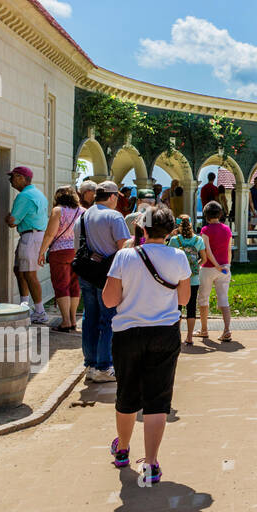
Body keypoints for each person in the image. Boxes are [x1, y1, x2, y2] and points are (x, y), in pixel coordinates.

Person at [102, 205, 190, 486]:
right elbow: (184, 299)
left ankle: (123, 450)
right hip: (164, 333)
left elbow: (109, 300)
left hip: (128, 333)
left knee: (127, 395)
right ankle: (151, 464)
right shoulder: (178, 257)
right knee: (157, 400)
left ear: (142, 228)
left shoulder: (124, 256)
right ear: (171, 230)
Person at [76, 181, 131, 383]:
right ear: (111, 196)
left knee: (89, 318)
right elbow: (123, 247)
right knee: (108, 319)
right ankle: (104, 366)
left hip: (87, 271)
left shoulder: (84, 215)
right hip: (108, 273)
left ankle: (90, 365)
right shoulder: (114, 216)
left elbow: (78, 245)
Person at [6, 166, 49, 323]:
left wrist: (7, 217)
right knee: (19, 270)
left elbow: (12, 221)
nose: (11, 180)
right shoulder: (38, 193)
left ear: (22, 178)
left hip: (30, 236)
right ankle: (25, 306)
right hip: (35, 236)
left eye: (13, 176)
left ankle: (40, 312)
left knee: (30, 274)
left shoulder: (24, 196)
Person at [37, 185, 83, 332]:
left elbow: (50, 234)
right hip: (77, 250)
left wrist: (41, 252)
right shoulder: (83, 211)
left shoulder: (58, 211)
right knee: (74, 285)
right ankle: (73, 320)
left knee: (61, 285)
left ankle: (65, 321)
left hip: (60, 251)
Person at [197, 201, 233, 341]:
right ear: (220, 214)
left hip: (207, 268)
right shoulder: (227, 229)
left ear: (206, 215)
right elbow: (229, 250)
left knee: (203, 298)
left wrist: (216, 265)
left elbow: (208, 251)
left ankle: (204, 329)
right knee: (224, 298)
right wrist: (226, 266)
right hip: (224, 267)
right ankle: (227, 330)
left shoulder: (205, 230)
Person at [167, 215, 206, 345]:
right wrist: (194, 267)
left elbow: (170, 259)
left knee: (177, 307)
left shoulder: (174, 240)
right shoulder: (198, 240)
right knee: (191, 307)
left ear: (178, 225)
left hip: (177, 278)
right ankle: (189, 336)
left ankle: (176, 336)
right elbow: (204, 259)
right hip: (193, 279)